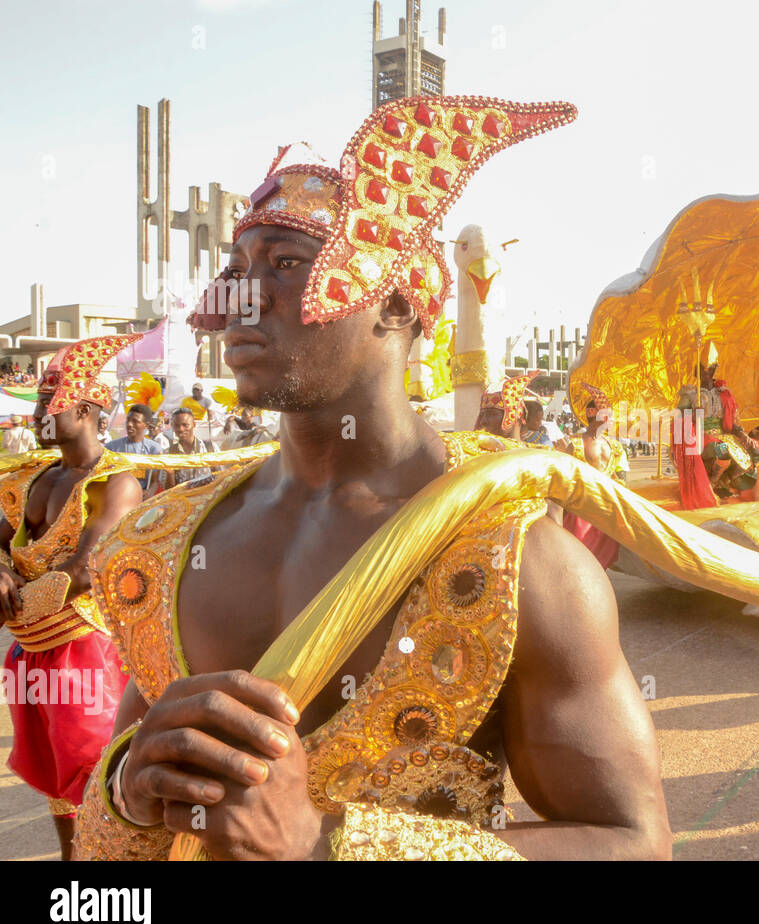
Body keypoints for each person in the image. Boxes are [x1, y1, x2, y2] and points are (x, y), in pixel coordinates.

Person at [74, 95, 671, 861]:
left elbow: (637, 844)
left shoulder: (518, 562)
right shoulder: (167, 546)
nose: (239, 298)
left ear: (394, 302)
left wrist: (333, 848)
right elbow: (108, 846)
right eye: (235, 271)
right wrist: (129, 786)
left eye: (287, 264)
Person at [0, 334, 143, 859]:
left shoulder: (116, 482)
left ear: (84, 409)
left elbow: (82, 572)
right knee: (56, 779)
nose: (35, 412)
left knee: (90, 773)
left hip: (84, 653)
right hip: (30, 654)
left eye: (45, 403)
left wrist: (9, 603)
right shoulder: (32, 477)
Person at [557, 382, 629, 569]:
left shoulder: (615, 446)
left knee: (601, 562)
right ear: (593, 415)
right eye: (608, 415)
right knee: (579, 560)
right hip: (582, 512)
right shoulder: (575, 445)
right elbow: (564, 480)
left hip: (607, 512)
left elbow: (621, 478)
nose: (612, 420)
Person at [105, 404, 164, 493]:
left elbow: (154, 482)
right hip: (118, 495)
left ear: (146, 425)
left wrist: (150, 492)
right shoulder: (112, 447)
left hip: (143, 498)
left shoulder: (154, 449)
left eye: (135, 421)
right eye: (128, 420)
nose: (129, 424)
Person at [156, 407, 216, 490]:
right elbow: (166, 491)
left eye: (185, 425)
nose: (181, 429)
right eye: (177, 425)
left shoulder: (209, 448)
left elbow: (222, 477)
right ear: (172, 426)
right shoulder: (168, 454)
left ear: (194, 425)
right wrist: (171, 474)